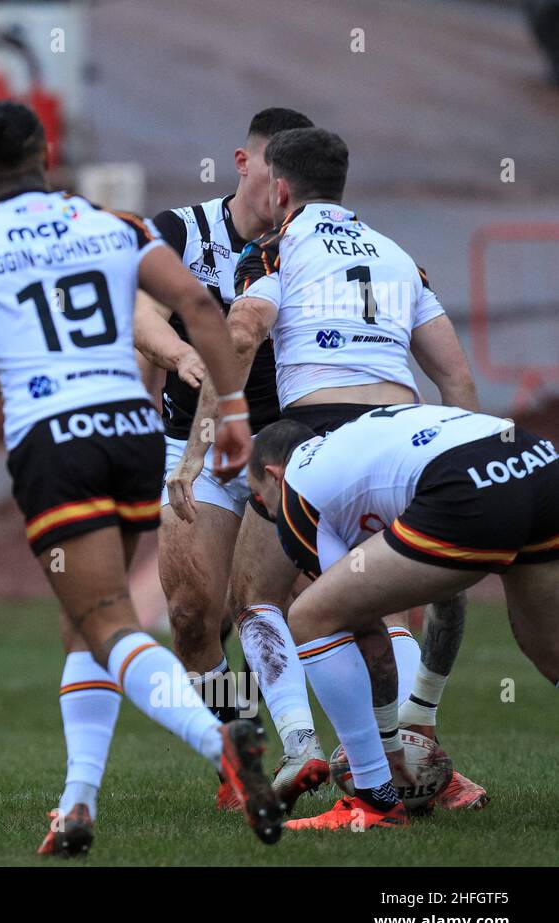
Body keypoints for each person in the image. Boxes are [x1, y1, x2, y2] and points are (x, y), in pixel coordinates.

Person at [0, 100, 279, 855]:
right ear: (46, 152)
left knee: (109, 618)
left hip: (56, 442)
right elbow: (196, 306)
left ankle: (223, 746)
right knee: (83, 620)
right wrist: (233, 408)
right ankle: (77, 806)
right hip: (132, 433)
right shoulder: (111, 223)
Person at [181, 126, 486, 810]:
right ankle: (415, 753)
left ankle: (303, 749)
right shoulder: (399, 254)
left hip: (315, 440)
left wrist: (201, 444)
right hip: (411, 438)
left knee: (259, 599)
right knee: (385, 609)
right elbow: (457, 378)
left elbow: (239, 335)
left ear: (280, 189)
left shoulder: (274, 248)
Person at [246, 406, 559, 829]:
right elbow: (447, 593)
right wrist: (423, 709)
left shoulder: (298, 491)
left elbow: (365, 628)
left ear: (274, 475)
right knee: (550, 649)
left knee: (310, 615)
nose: (266, 511)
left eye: (258, 498)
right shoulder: (364, 458)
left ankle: (375, 802)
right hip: (536, 461)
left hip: (467, 481)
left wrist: (389, 737)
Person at [132, 107, 315, 812]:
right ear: (244, 164)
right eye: (274, 170)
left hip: (291, 449)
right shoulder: (180, 230)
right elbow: (139, 306)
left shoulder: (309, 241)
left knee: (304, 608)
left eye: (294, 178)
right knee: (188, 612)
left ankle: (390, 753)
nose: (282, 189)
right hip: (198, 445)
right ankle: (242, 745)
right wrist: (178, 352)